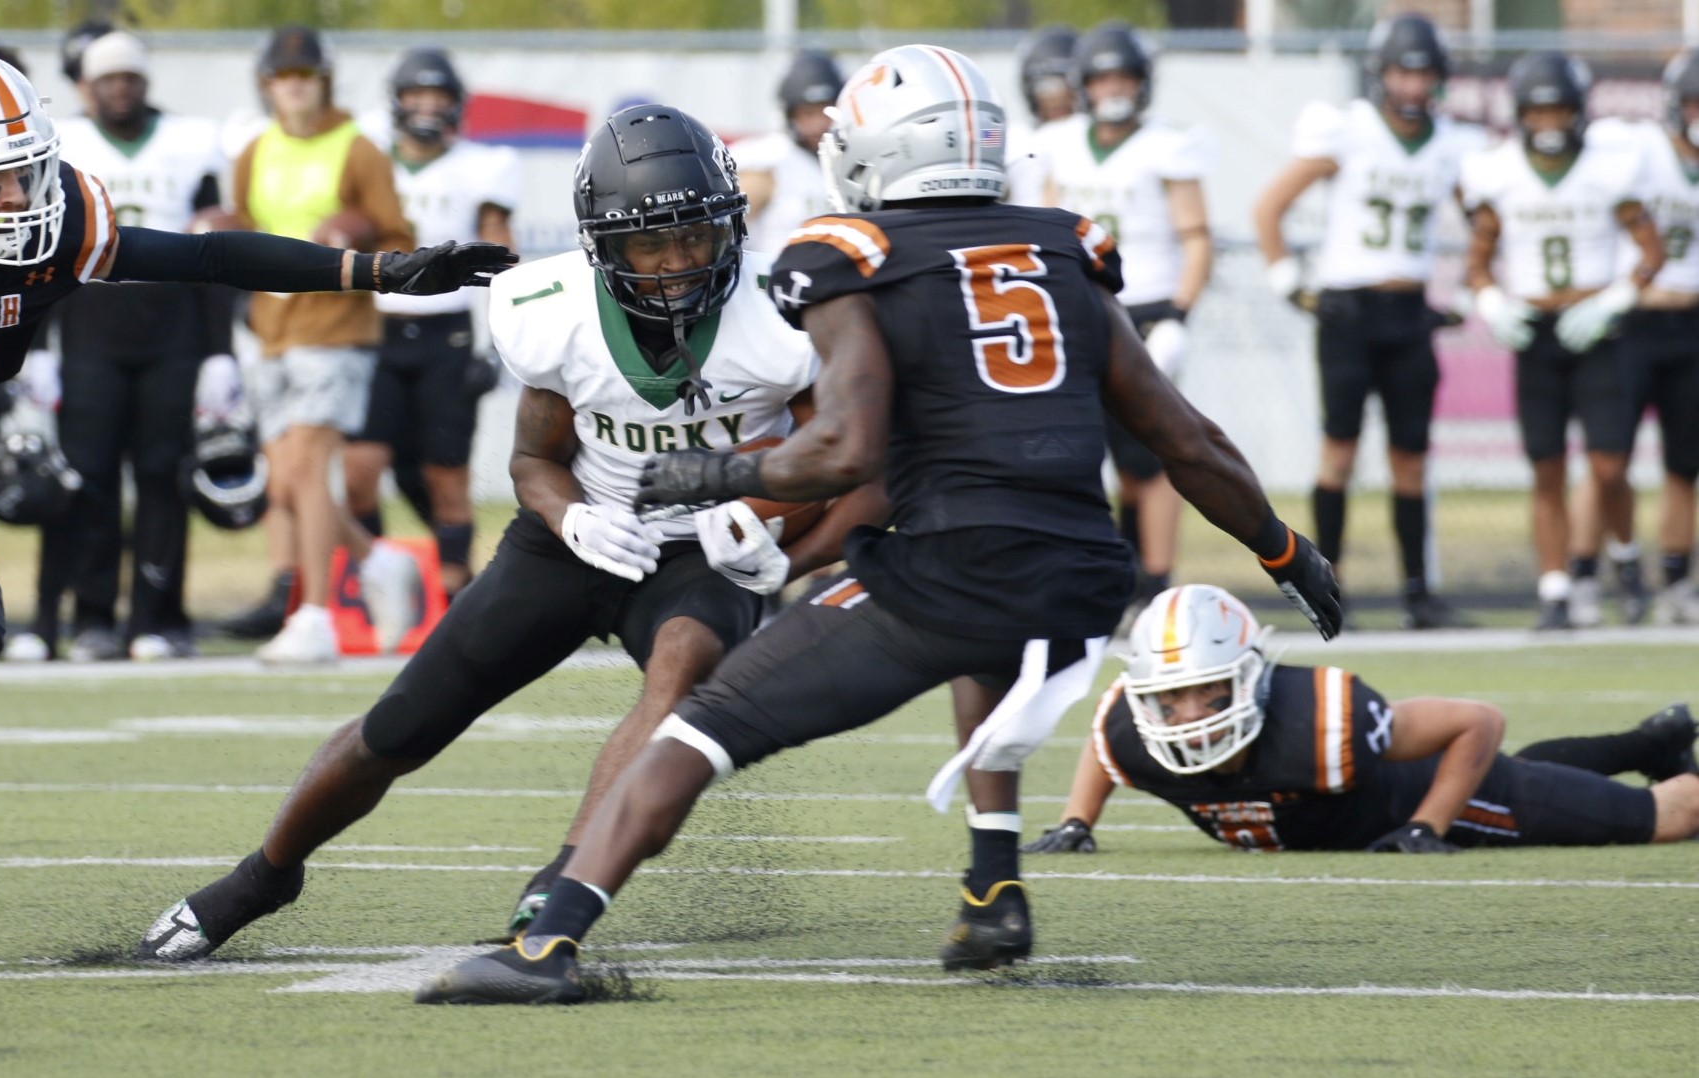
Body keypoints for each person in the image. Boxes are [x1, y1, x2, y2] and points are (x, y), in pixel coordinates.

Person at [416, 44, 1342, 1006]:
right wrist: (1282, 548)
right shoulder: (1064, 243)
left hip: (946, 569)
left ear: (871, 154)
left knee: (701, 727)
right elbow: (1184, 438)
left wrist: (712, 472)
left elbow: (846, 451)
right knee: (993, 638)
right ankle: (992, 885)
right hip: (1078, 576)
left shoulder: (850, 255)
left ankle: (545, 941)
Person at [0, 46, 513, 978]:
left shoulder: (59, 220)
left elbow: (207, 254)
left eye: (24, 171)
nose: (18, 198)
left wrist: (376, 269)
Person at [137, 104, 870, 962]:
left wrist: (759, 516)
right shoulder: (554, 310)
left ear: (730, 224)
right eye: (650, 243)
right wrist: (572, 515)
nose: (676, 262)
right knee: (400, 726)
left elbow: (833, 453)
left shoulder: (780, 315)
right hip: (571, 540)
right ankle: (261, 874)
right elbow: (532, 461)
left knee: (681, 669)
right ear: (603, 246)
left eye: (695, 235)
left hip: (702, 551)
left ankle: (562, 885)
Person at [1023, 584, 1699, 856]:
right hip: (1395, 800)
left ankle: (1672, 770)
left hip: (1449, 795)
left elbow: (1476, 721)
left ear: (1247, 680)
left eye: (1207, 693)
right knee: (1534, 767)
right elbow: (1106, 746)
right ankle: (1653, 738)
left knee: (1664, 817)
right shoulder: (1127, 727)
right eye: (1169, 698)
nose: (1189, 717)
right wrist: (1077, 822)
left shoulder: (1319, 720)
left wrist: (1424, 826)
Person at [7, 30, 235, 663]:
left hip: (174, 334)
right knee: (89, 479)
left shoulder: (192, 144)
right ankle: (94, 617)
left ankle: (160, 618)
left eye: (130, 77)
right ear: (89, 84)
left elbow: (215, 252)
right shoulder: (66, 144)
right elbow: (41, 248)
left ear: (145, 82)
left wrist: (221, 350)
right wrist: (40, 343)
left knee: (165, 478)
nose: (120, 88)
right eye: (108, 78)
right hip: (89, 333)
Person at [1253, 14, 1485, 630]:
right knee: (1338, 453)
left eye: (1423, 72)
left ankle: (1417, 593)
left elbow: (1489, 220)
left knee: (1411, 458)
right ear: (1382, 74)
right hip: (1349, 310)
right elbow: (1270, 206)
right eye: (1403, 71)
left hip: (1409, 312)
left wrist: (1468, 286)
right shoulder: (1349, 131)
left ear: (1439, 79)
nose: (1412, 84)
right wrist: (1288, 283)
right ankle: (1331, 589)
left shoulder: (1453, 145)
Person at [231, 25, 425, 663]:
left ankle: (315, 616)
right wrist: (214, 227)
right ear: (268, 85)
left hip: (338, 324)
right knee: (285, 483)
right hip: (271, 326)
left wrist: (355, 225)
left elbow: (399, 235)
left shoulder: (359, 149)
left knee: (310, 466)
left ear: (323, 82)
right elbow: (247, 231)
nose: (294, 87)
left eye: (305, 76)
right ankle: (376, 561)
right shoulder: (253, 152)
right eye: (284, 77)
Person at [1460, 51, 1662, 630]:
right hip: (1537, 332)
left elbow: (1651, 252)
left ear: (1578, 112)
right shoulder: (1498, 173)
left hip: (1597, 327)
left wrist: (1613, 300)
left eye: (1559, 110)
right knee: (1546, 468)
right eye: (1539, 110)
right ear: (1522, 114)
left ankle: (1623, 555)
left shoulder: (1609, 168)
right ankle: (1555, 591)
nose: (1549, 122)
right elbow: (1478, 258)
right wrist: (1492, 300)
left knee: (1608, 465)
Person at [1028, 21, 1213, 619]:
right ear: (1082, 83)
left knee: (1149, 459)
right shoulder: (1056, 141)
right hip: (1077, 306)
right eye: (1103, 76)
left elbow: (1197, 239)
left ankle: (1155, 584)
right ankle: (1109, 574)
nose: (1114, 88)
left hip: (1146, 309)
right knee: (1079, 453)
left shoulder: (1167, 145)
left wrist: (1178, 317)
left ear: (1143, 83)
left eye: (1124, 76)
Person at [344, 46, 518, 600]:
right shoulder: (369, 159)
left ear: (457, 106)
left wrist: (500, 344)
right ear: (396, 103)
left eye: (437, 98)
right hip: (376, 332)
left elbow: (501, 257)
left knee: (446, 476)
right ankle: (377, 584)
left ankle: (453, 593)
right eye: (415, 96)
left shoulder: (483, 165)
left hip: (446, 333)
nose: (425, 107)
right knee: (359, 473)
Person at [1581, 50, 1699, 627]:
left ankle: (1676, 581)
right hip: (1630, 323)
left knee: (1685, 464)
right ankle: (1588, 573)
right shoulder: (1633, 149)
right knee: (1607, 458)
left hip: (1692, 323)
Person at [731, 49, 843, 259]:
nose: (819, 124)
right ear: (790, 115)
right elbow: (726, 234)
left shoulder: (851, 159)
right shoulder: (768, 165)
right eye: (808, 113)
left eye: (826, 111)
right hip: (778, 285)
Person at [1002, 25, 1076, 207]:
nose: (1058, 97)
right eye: (1047, 86)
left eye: (1068, 85)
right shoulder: (1014, 137)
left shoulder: (1092, 142)